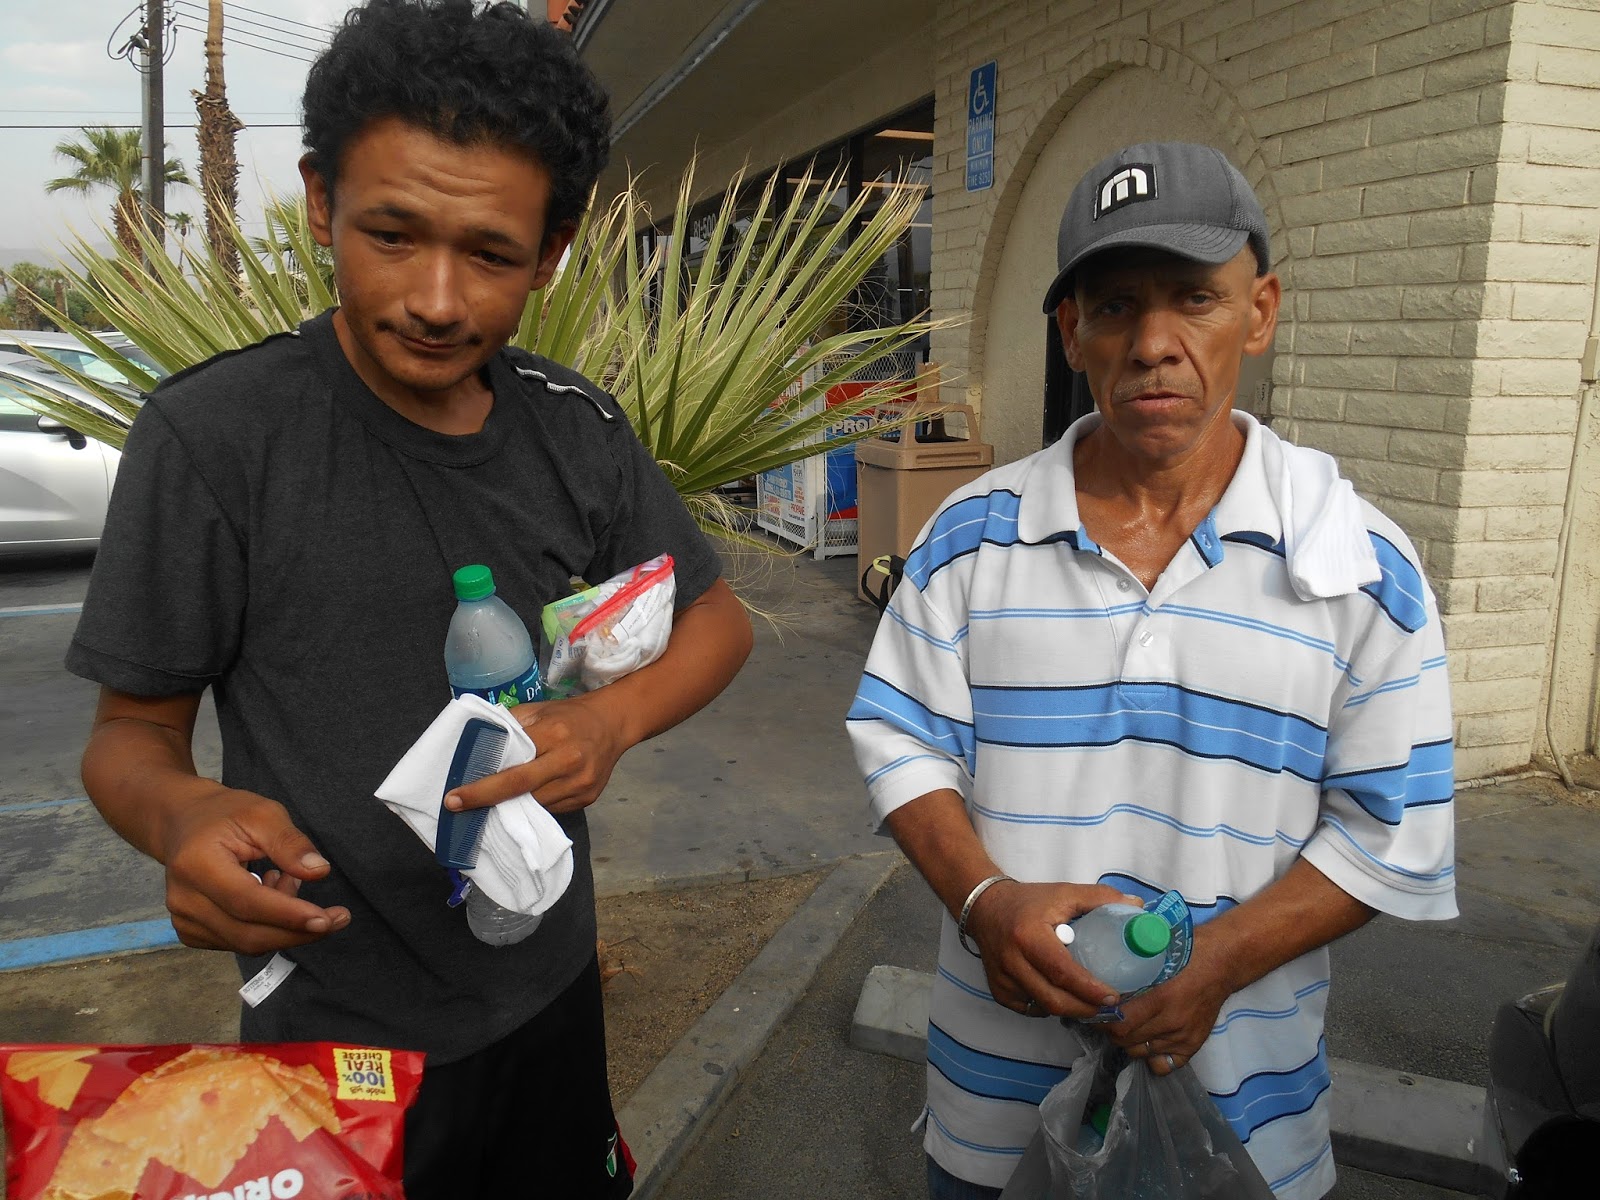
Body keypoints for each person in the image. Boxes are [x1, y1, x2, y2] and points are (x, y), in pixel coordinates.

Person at [68, 3, 753, 1196]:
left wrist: (608, 721)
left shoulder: (575, 431)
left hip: (545, 987)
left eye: (490, 254)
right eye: (391, 234)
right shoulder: (215, 439)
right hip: (332, 1041)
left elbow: (717, 621)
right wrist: (179, 818)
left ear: (550, 252)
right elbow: (130, 736)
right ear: (320, 201)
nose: (436, 299)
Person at [847, 141, 1455, 1200]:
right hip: (993, 1119)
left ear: (1259, 312)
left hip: (1244, 1127)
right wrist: (985, 900)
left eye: (1194, 299)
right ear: (1070, 331)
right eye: (1117, 305)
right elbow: (902, 743)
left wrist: (1218, 962)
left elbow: (1389, 831)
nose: (1153, 344)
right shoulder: (969, 540)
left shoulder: (1359, 567)